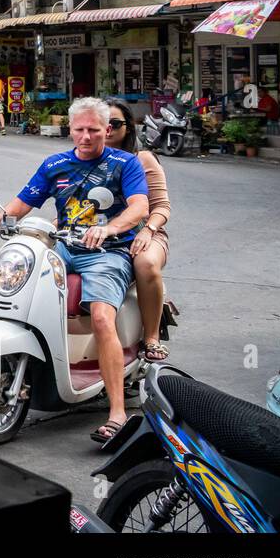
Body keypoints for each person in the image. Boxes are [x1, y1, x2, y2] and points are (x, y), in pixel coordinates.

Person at [0, 97, 150, 444]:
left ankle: (117, 412)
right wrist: (2, 217)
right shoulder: (54, 163)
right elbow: (24, 201)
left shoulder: (125, 164)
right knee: (23, 290)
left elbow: (139, 207)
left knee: (102, 318)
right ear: (70, 130)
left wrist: (110, 228)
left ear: (107, 129)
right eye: (79, 129)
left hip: (107, 252)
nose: (86, 136)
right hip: (61, 247)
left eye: (93, 130)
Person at [105, 99, 173, 363]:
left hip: (147, 232)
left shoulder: (141, 158)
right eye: (102, 123)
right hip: (102, 234)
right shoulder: (86, 160)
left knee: (144, 263)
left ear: (128, 128)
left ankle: (152, 336)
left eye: (116, 123)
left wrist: (149, 231)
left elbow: (161, 207)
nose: (108, 129)